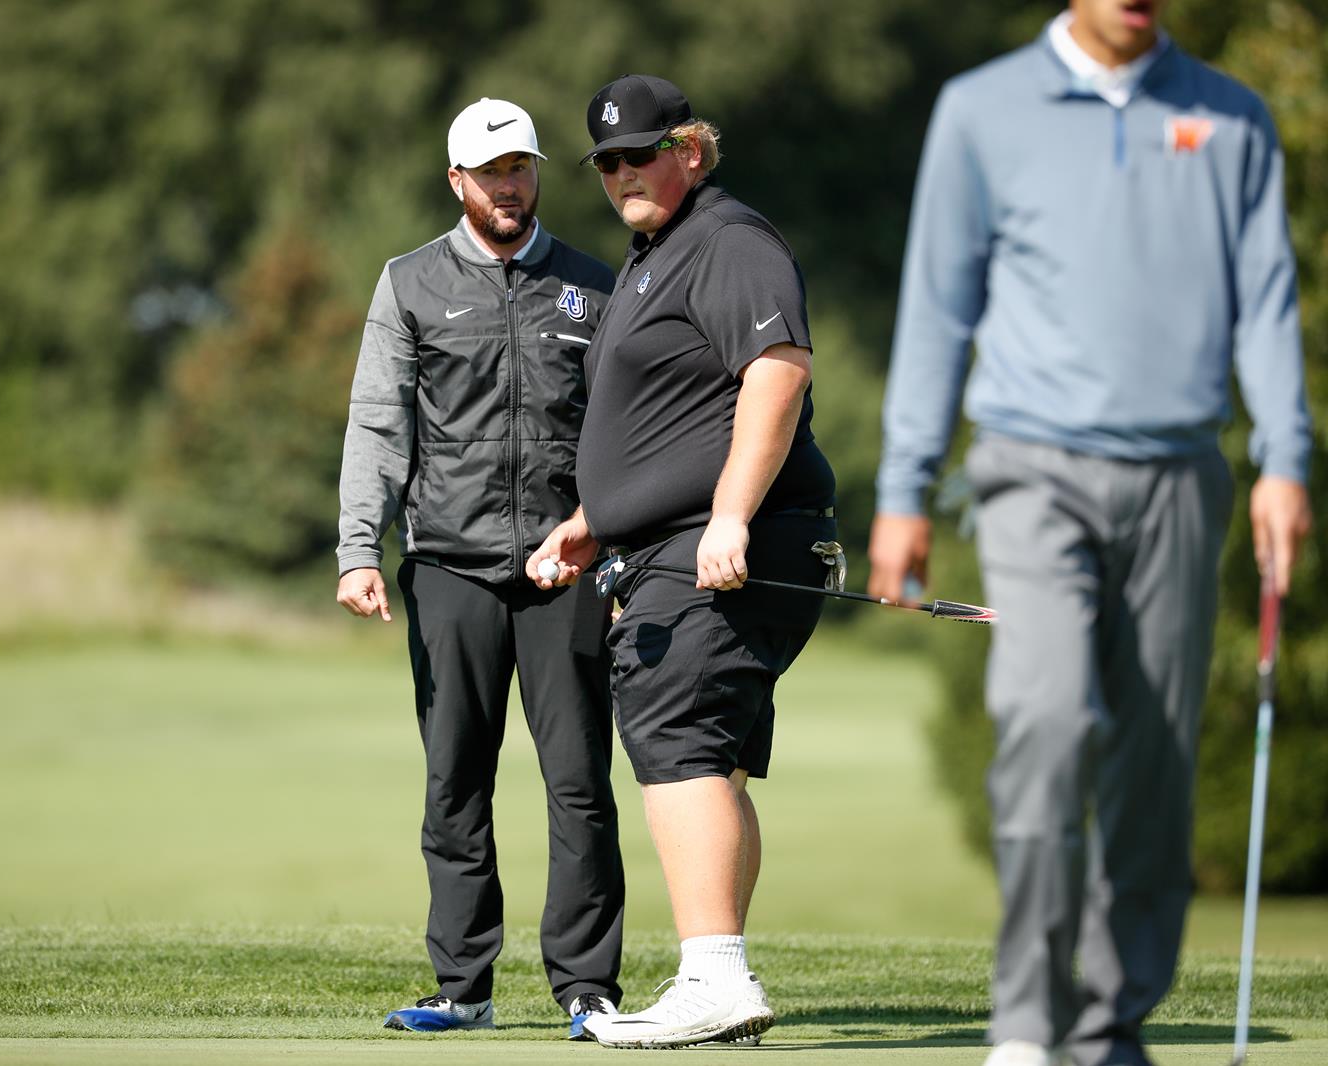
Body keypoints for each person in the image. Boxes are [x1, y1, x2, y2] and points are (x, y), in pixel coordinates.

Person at [868, 2, 1315, 1064]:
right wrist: (904, 487)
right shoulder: (980, 111)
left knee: (1154, 762)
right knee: (1047, 717)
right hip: (1031, 471)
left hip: (1180, 473)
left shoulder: (1232, 120)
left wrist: (1283, 458)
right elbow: (937, 308)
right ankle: (1027, 1021)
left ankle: (1111, 1024)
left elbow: (1264, 301)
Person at [528, 74, 838, 1050]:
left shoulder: (729, 241)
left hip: (719, 540)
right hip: (673, 539)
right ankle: (721, 973)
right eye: (608, 161)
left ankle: (713, 974)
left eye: (642, 152)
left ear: (690, 149)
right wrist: (592, 517)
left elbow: (778, 371)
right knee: (711, 757)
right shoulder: (656, 257)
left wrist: (731, 515)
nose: (623, 173)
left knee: (674, 732)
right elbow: (665, 419)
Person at [334, 97, 626, 1038]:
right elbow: (379, 422)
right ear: (457, 180)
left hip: (565, 566)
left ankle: (587, 988)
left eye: (523, 167)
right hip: (449, 568)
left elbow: (625, 433)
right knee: (456, 776)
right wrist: (358, 550)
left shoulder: (592, 284)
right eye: (491, 171)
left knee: (579, 779)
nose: (510, 185)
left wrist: (613, 545)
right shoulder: (409, 283)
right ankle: (462, 986)